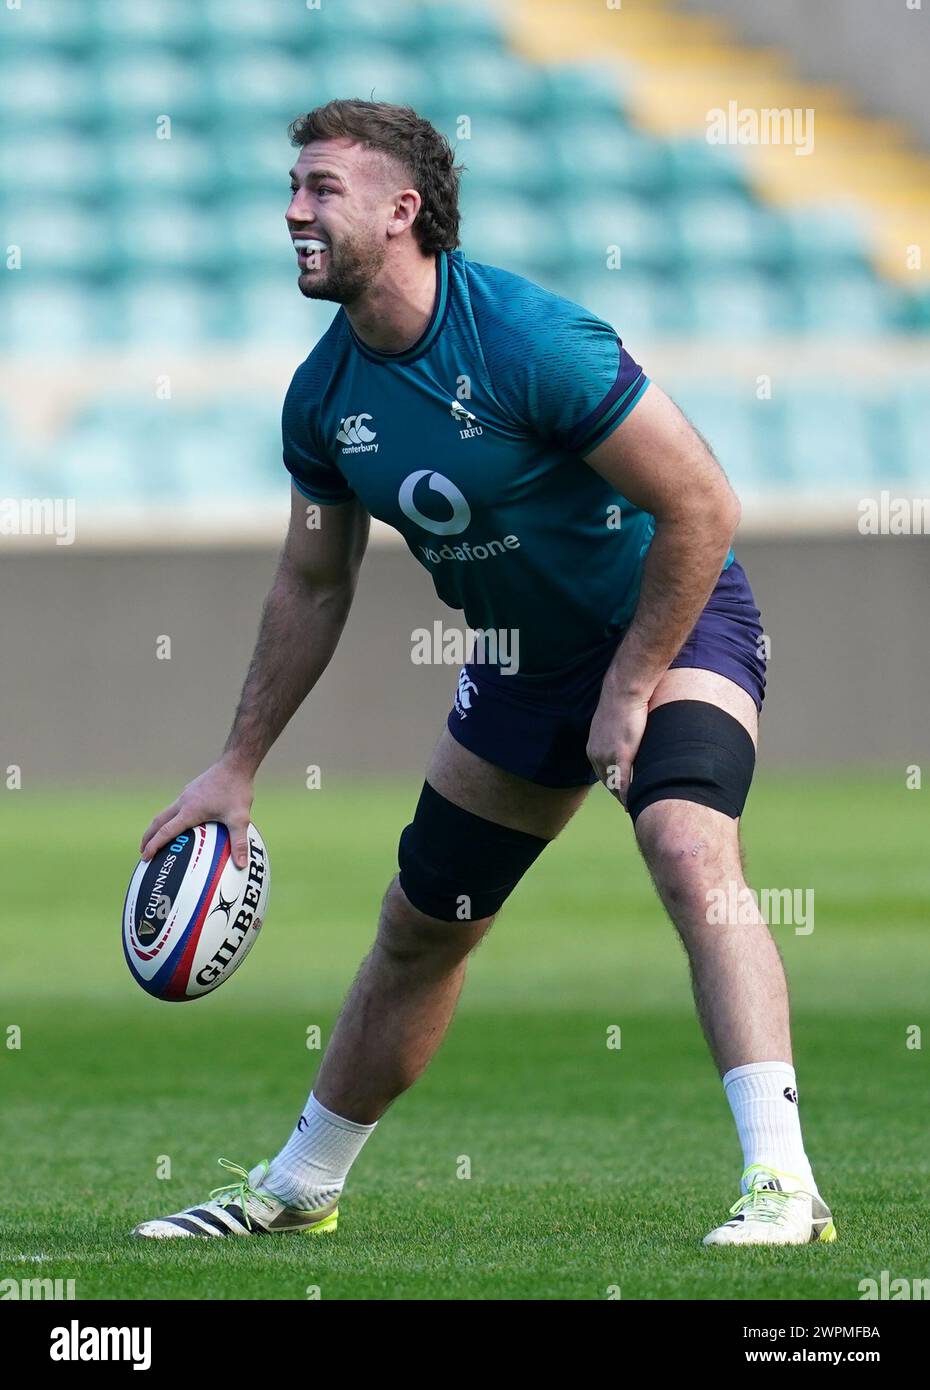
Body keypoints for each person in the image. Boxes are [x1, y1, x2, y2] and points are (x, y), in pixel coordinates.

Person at [132, 100, 834, 1247]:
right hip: (521, 667)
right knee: (423, 924)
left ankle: (782, 1183)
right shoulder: (322, 399)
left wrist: (630, 684)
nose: (293, 210)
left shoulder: (527, 339)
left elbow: (701, 503)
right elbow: (314, 582)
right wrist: (237, 765)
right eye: (293, 188)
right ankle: (301, 1183)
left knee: (688, 846)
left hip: (675, 618)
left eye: (321, 189)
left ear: (403, 211)